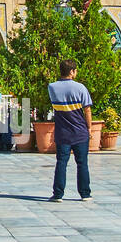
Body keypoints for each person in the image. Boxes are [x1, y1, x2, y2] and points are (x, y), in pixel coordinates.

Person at [48, 60, 94, 202]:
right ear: (72, 71)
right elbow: (87, 109)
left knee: (61, 162)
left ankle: (58, 194)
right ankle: (85, 194)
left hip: (62, 132)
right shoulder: (80, 88)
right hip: (80, 131)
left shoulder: (52, 87)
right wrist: (89, 128)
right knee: (82, 163)